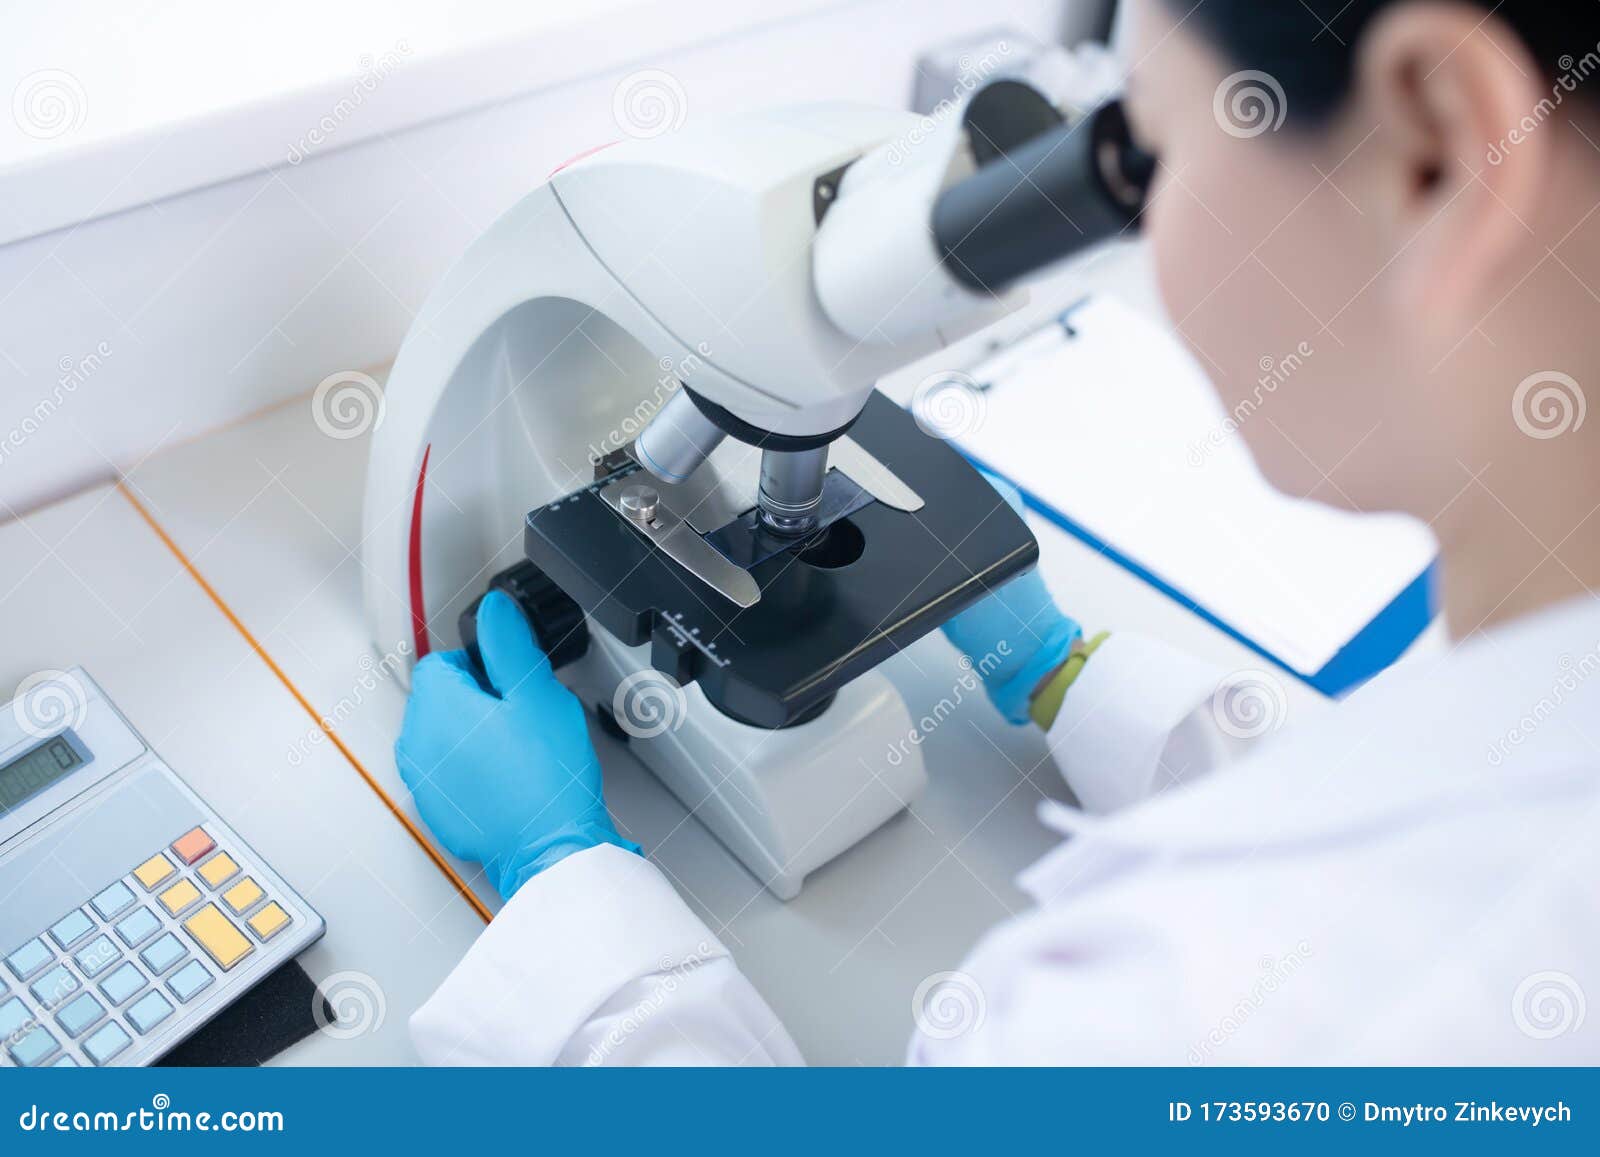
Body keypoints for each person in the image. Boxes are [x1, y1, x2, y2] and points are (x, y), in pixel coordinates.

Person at [397, 0, 1600, 1064]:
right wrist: (1070, 674)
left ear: (1437, 150)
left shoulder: (1161, 1029)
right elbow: (1392, 804)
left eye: (1149, 155)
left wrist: (567, 895)